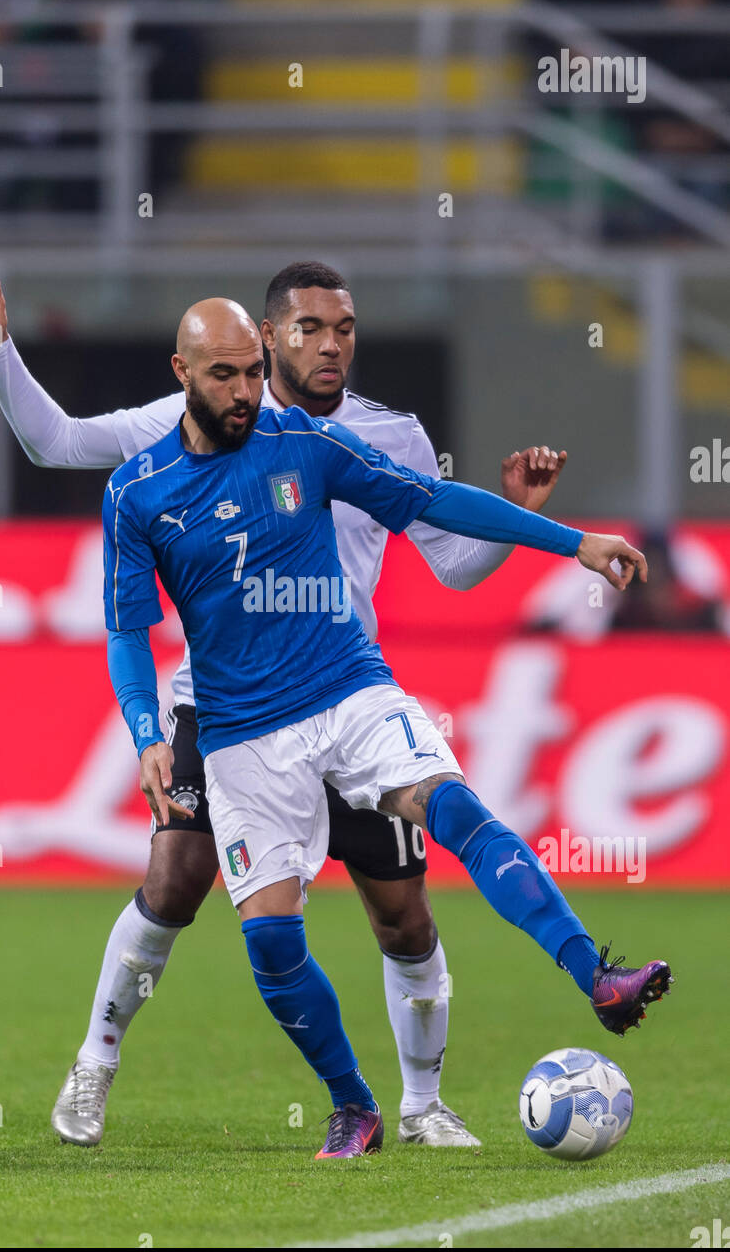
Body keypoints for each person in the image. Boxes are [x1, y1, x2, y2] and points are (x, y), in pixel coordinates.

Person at [96, 295, 671, 1158]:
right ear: (182, 375)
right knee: (271, 943)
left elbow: (432, 500)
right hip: (241, 735)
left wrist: (571, 540)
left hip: (348, 691)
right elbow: (126, 632)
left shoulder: (308, 445)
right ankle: (352, 1105)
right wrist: (145, 728)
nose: (247, 390)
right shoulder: (139, 493)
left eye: (255, 370)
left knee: (456, 814)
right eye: (225, 375)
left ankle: (595, 974)